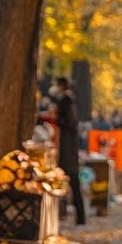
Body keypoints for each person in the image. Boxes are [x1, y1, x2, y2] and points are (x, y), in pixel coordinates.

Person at [49, 76, 85, 226]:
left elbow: (68, 122)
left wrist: (55, 120)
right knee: (72, 184)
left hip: (67, 151)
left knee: (73, 183)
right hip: (67, 150)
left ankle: (80, 217)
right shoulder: (67, 101)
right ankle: (76, 216)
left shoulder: (67, 102)